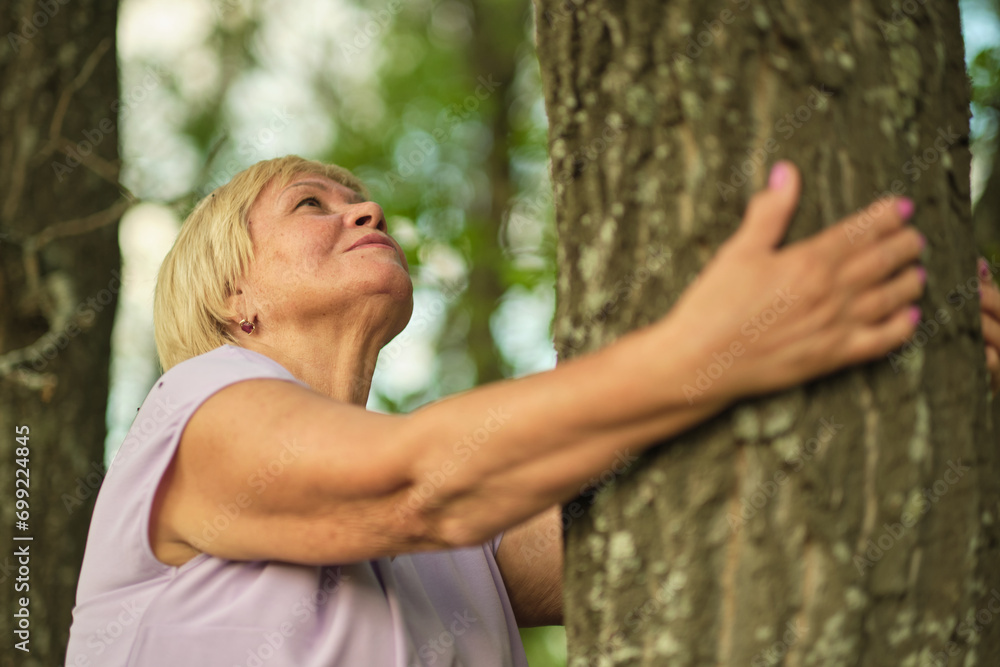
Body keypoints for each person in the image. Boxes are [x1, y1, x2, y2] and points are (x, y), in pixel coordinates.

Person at [65, 155, 1000, 666]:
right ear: (234, 295)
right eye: (314, 204)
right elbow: (412, 482)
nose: (366, 212)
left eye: (362, 201)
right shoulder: (194, 411)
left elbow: (693, 523)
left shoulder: (454, 536)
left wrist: (925, 378)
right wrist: (709, 345)